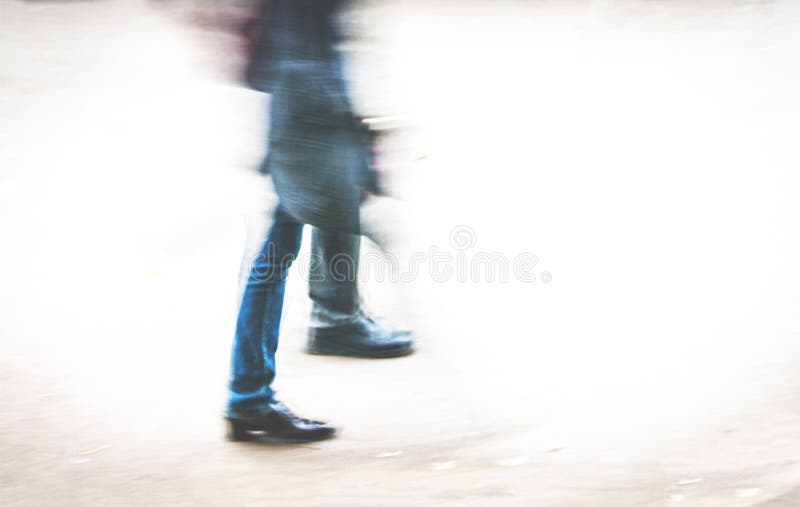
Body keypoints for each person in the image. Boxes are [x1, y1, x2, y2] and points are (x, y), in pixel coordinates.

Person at [226, 0, 411, 443]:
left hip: (303, 92)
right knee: (276, 247)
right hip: (305, 101)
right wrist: (344, 123)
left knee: (283, 240)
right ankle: (249, 395)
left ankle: (330, 323)